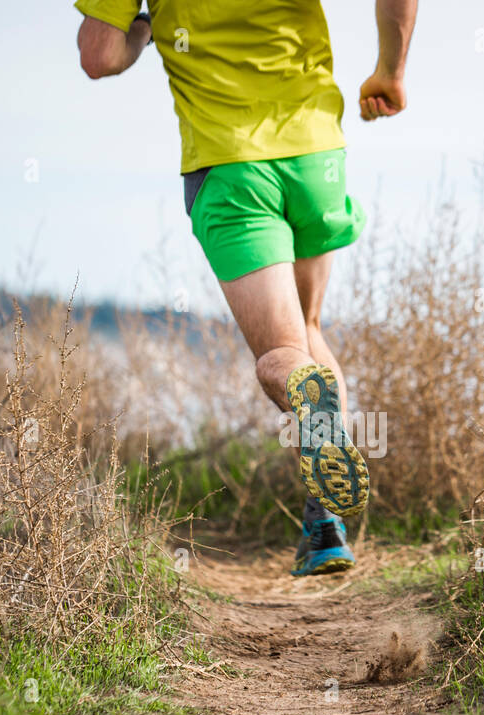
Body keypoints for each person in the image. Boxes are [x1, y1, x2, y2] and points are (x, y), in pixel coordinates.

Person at [75, 0, 417, 575]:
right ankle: (324, 525)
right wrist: (391, 70)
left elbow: (98, 54)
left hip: (231, 167)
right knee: (309, 329)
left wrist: (144, 28)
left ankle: (308, 407)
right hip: (316, 157)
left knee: (281, 357)